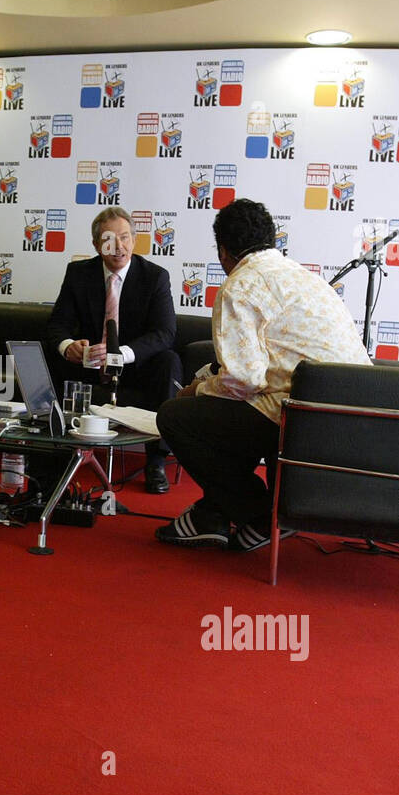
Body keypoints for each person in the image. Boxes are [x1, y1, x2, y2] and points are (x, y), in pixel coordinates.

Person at [155, 198, 371, 551]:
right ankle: (212, 514)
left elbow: (244, 380)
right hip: (352, 415)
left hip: (301, 416)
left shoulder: (240, 285)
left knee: (177, 416)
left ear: (224, 252)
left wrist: (195, 391)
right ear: (272, 240)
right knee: (232, 410)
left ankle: (262, 514)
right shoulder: (309, 279)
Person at [45, 206, 180, 493]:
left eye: (125, 237)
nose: (118, 246)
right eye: (109, 239)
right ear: (96, 245)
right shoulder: (78, 273)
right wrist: (69, 346)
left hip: (136, 368)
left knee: (169, 362)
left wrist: (121, 354)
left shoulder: (155, 277)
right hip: (90, 366)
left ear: (134, 239)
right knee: (51, 355)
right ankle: (50, 451)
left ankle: (156, 461)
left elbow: (164, 333)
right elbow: (57, 325)